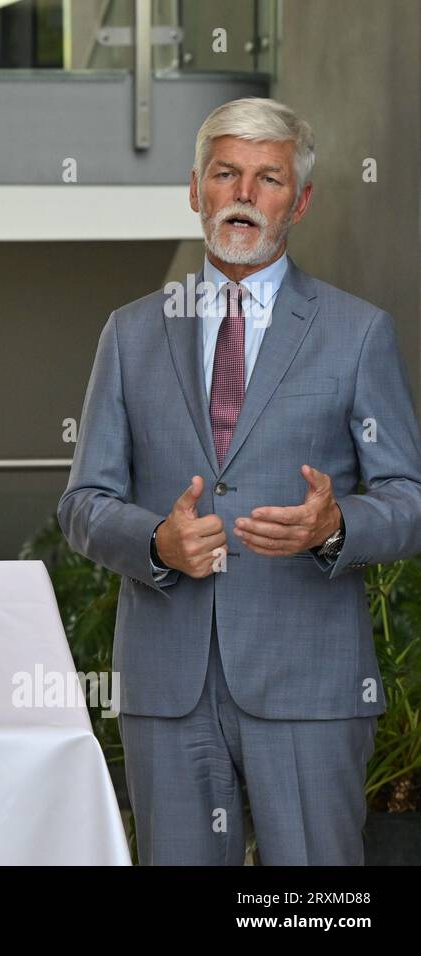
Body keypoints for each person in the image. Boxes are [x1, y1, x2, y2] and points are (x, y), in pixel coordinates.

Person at [58, 97, 421, 864]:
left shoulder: (357, 333)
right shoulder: (129, 334)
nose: (245, 195)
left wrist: (336, 526)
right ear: (197, 189)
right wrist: (155, 540)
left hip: (308, 683)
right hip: (169, 688)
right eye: (227, 174)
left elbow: (407, 499)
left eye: (269, 179)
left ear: (302, 200)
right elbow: (84, 504)